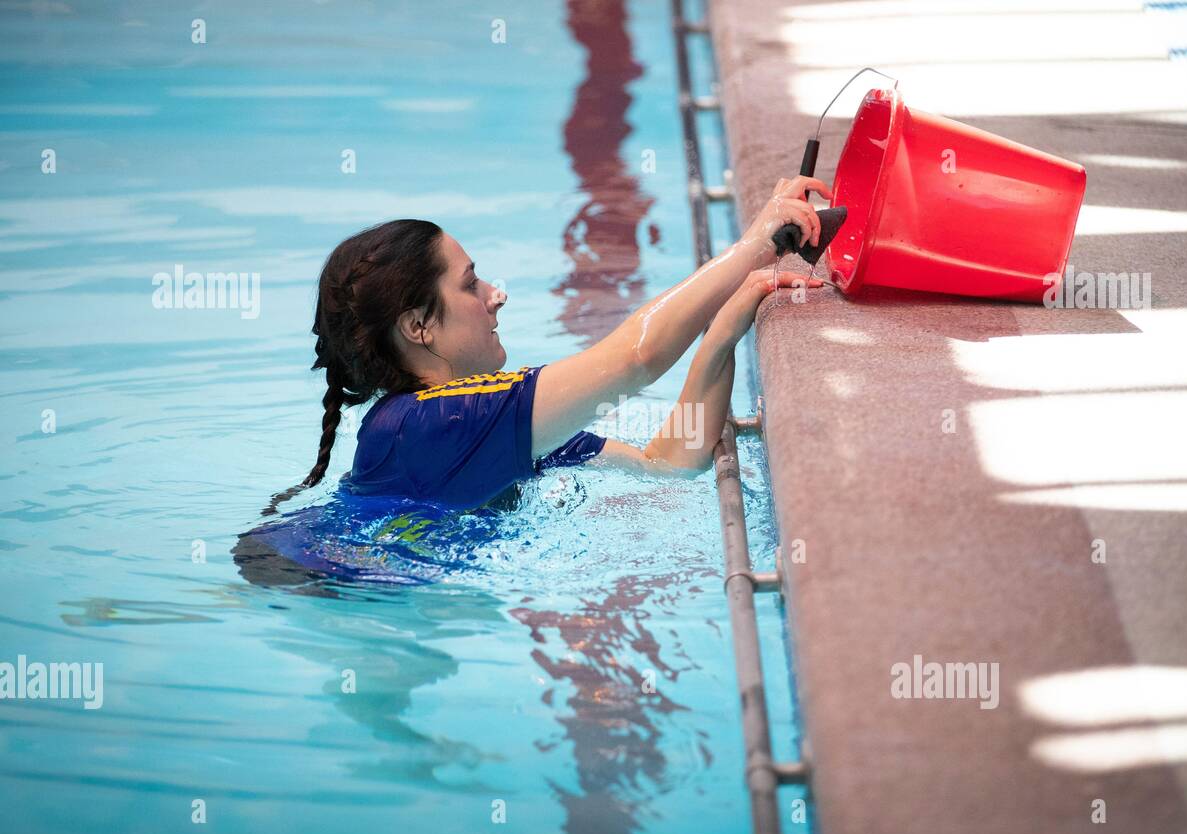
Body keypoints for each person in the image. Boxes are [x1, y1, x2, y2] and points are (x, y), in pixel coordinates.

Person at [242, 175, 830, 586]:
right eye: (471, 285)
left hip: (360, 589)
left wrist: (722, 335)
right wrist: (754, 246)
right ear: (419, 326)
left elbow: (668, 462)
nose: (497, 295)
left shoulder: (486, 422)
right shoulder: (428, 423)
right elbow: (635, 359)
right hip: (308, 582)